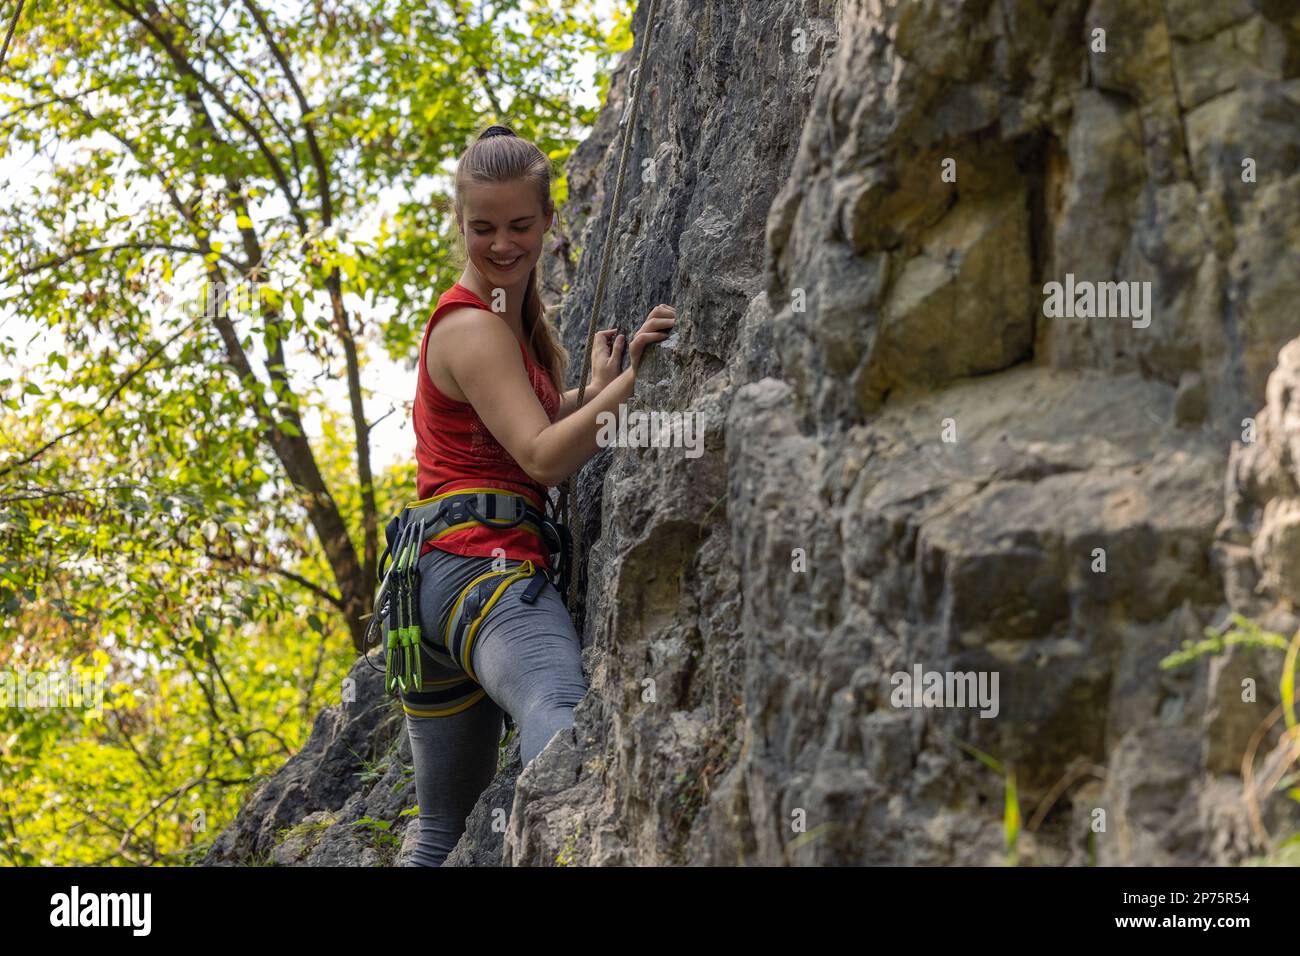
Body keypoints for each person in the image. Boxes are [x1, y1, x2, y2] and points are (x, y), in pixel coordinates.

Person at [402, 123, 676, 866]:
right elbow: (541, 457)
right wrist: (634, 390)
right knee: (560, 716)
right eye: (482, 226)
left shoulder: (506, 326)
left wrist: (593, 385)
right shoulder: (472, 326)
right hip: (480, 573)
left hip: (434, 584)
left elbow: (527, 423)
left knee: (442, 831)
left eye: (520, 225)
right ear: (459, 223)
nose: (502, 243)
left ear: (548, 220)